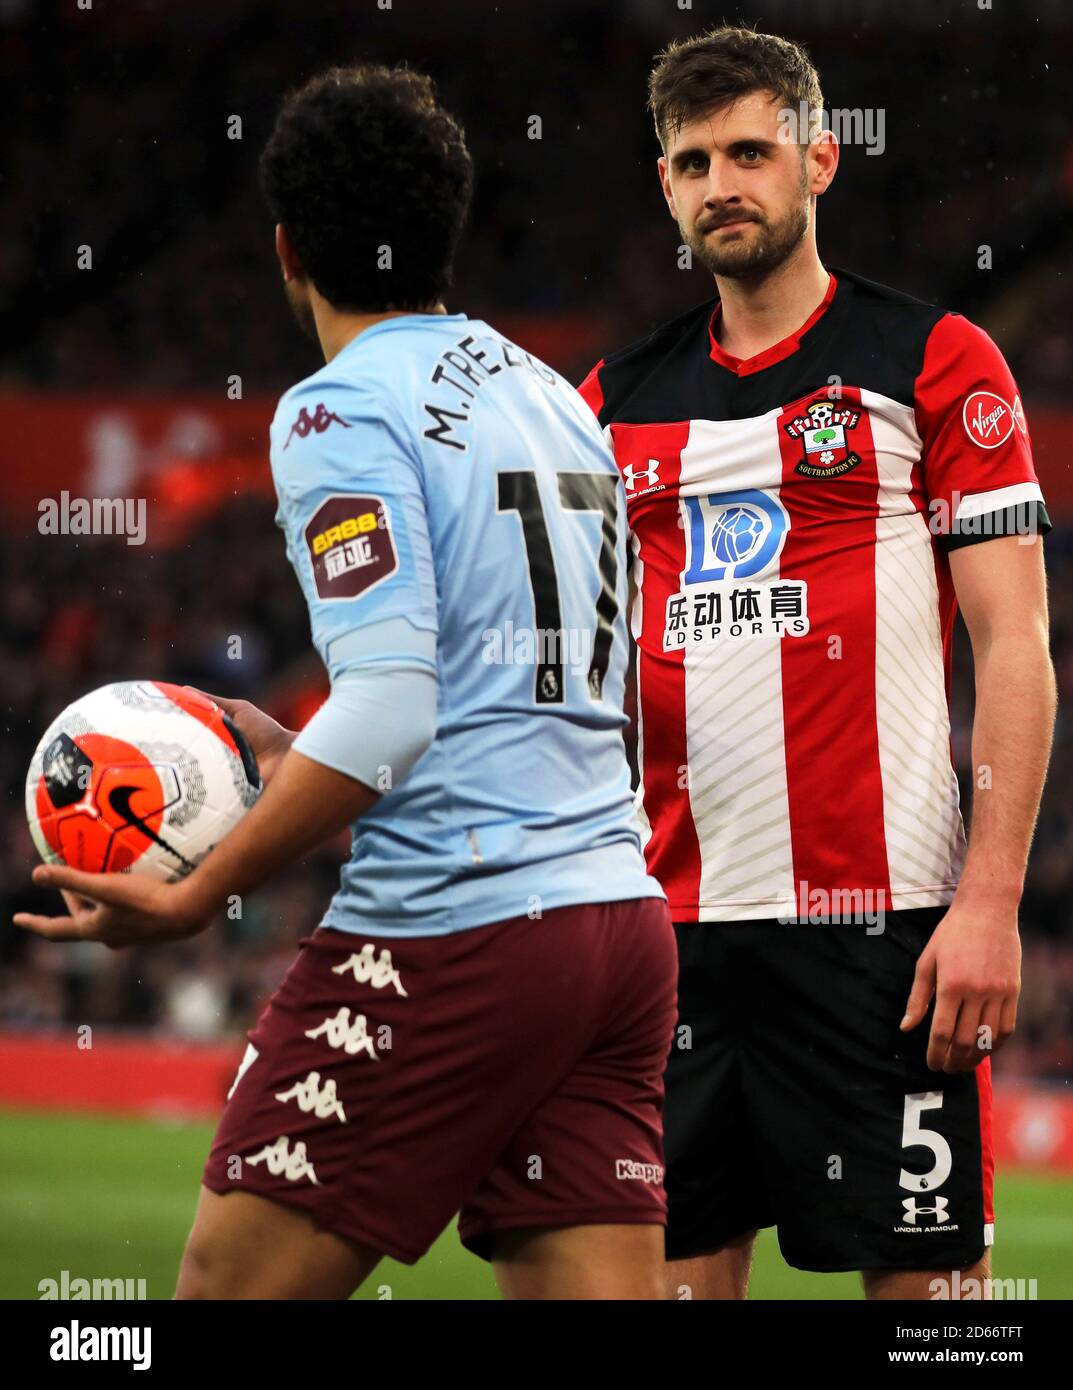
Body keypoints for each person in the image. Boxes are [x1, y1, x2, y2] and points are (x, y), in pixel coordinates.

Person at [16, 64, 675, 1301]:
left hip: (459, 923)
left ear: (285, 250)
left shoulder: (336, 413)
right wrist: (295, 740)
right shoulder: (553, 398)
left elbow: (390, 707)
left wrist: (202, 887)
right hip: (615, 931)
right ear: (446, 230)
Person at [578, 25, 1055, 1300]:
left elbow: (1014, 643)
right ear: (665, 187)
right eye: (690, 161)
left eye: (749, 150)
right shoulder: (610, 404)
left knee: (932, 1315)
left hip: (880, 941)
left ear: (818, 161)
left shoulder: (934, 360)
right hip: (668, 940)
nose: (720, 182)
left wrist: (989, 901)